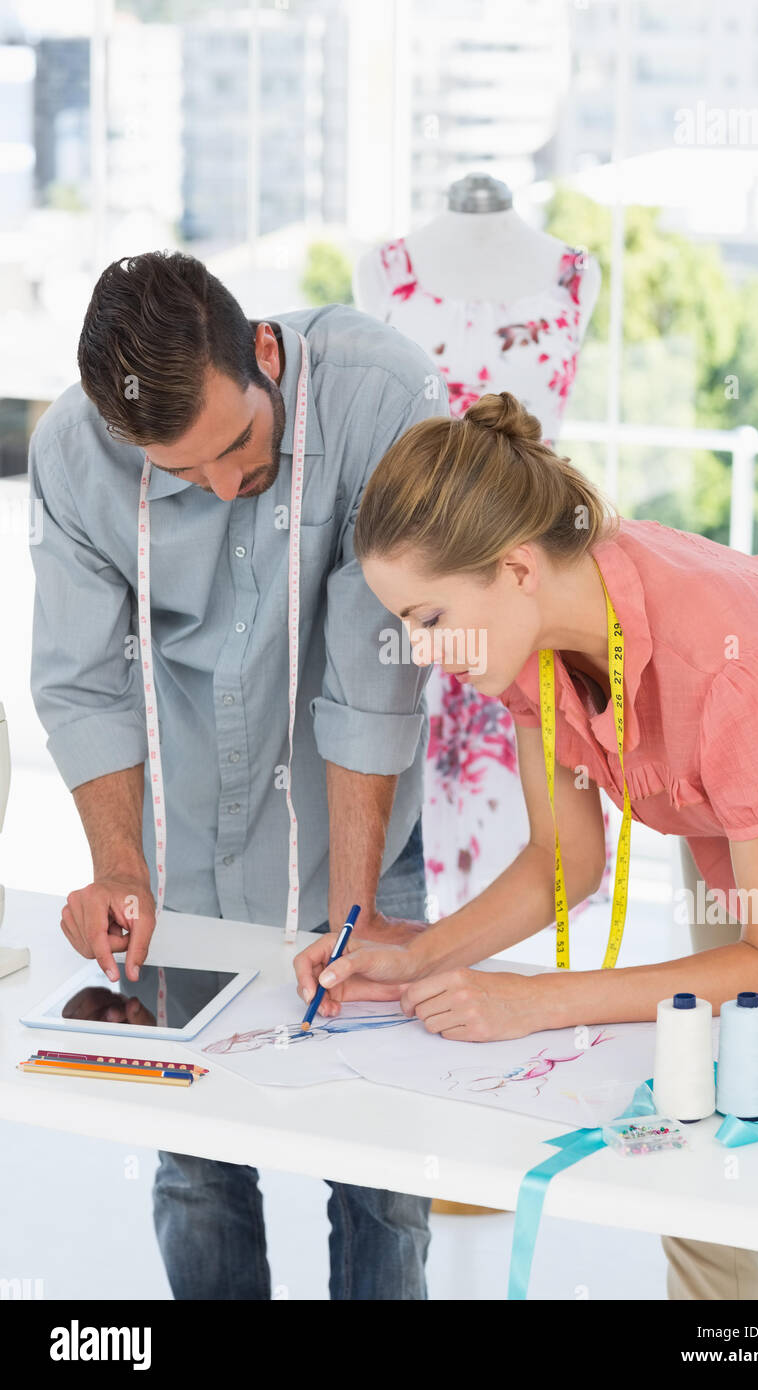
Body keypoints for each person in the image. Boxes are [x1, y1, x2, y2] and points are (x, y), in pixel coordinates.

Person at [294, 388, 758, 1300]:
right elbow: (567, 862)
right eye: (403, 622)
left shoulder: (728, 670)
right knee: (707, 1142)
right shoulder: (527, 640)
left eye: (429, 618)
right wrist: (416, 959)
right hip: (746, 827)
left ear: (516, 569)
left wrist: (532, 1003)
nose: (419, 651)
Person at [27, 249, 451, 1301]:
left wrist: (352, 910)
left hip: (362, 829)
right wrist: (120, 866)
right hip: (184, 849)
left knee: (381, 1172)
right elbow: (83, 684)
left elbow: (372, 677)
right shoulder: (73, 455)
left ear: (263, 351)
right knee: (197, 1157)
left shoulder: (383, 400)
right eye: (182, 472)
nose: (223, 485)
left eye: (237, 445)